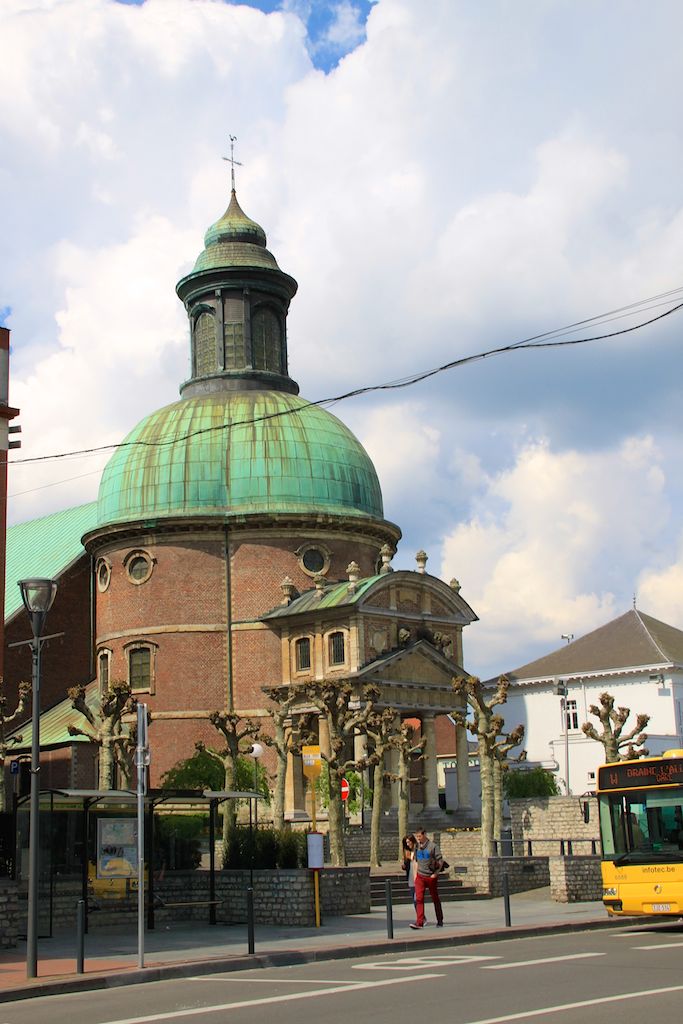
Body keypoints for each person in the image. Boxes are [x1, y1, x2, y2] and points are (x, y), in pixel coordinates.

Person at [410, 826, 444, 929]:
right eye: (417, 836)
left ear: (424, 835)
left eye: (420, 836)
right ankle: (419, 922)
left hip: (431, 876)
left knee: (435, 898)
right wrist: (415, 876)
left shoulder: (433, 846)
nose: (418, 838)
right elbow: (415, 861)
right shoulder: (417, 847)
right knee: (419, 899)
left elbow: (440, 861)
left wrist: (436, 874)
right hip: (420, 876)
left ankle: (440, 920)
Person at [401, 833, 417, 907]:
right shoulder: (406, 852)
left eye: (409, 842)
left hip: (418, 877)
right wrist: (404, 865)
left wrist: (411, 857)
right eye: (406, 843)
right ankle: (420, 916)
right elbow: (406, 866)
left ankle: (421, 916)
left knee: (417, 898)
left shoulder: (417, 850)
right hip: (411, 878)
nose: (408, 844)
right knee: (414, 898)